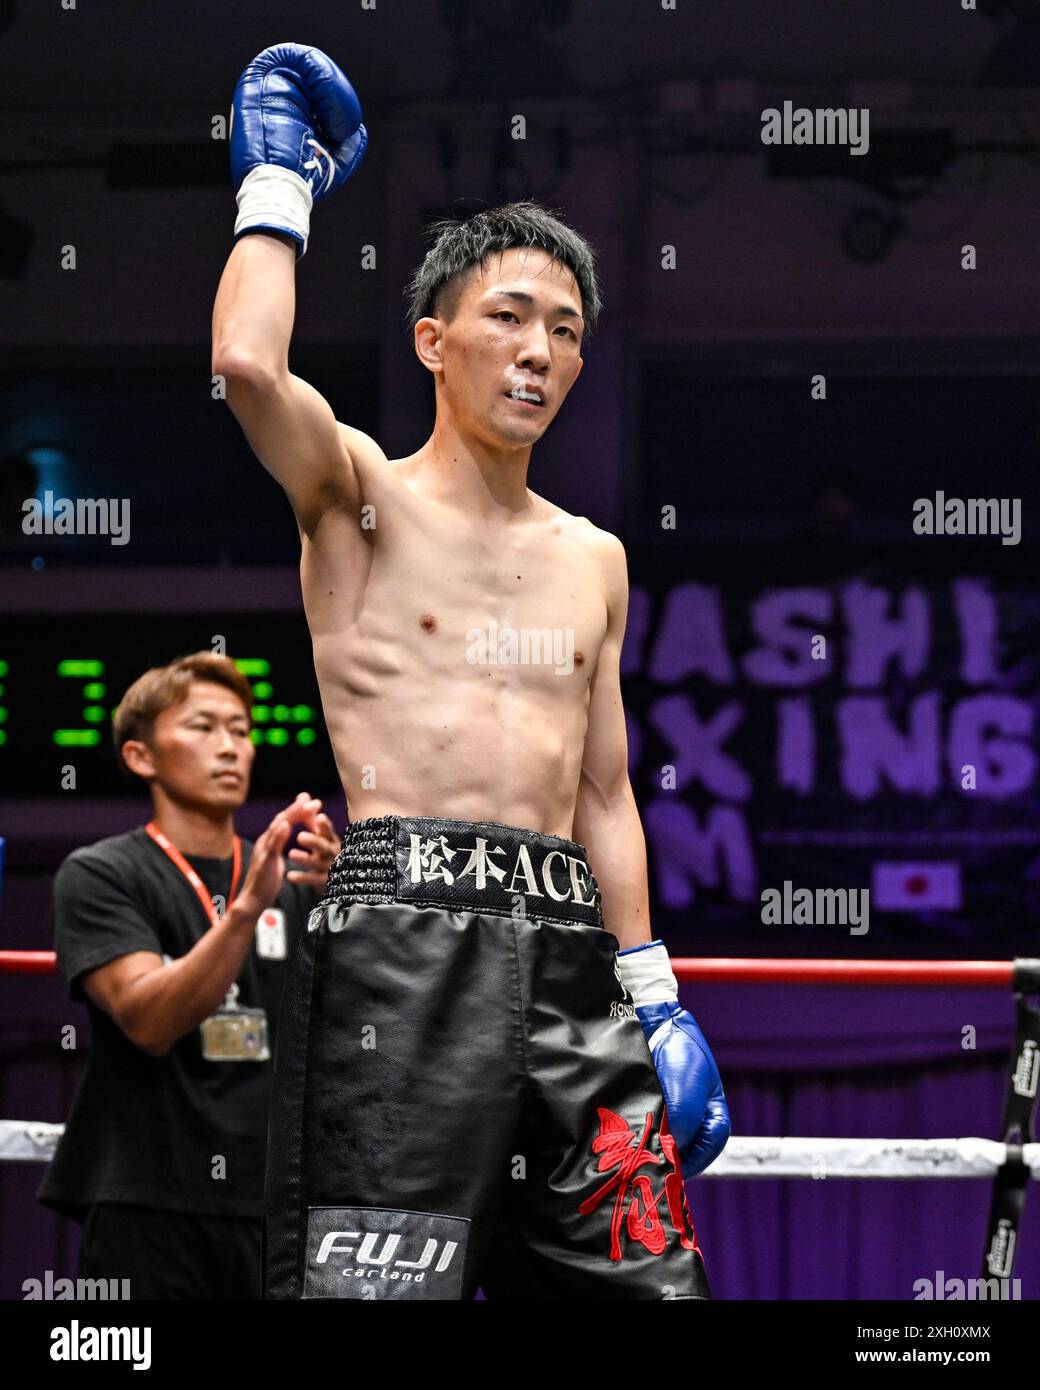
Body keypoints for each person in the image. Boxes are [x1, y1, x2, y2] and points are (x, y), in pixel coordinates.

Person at [213, 44, 731, 1300]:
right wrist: (277, 190)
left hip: (570, 962)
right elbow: (244, 369)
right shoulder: (357, 494)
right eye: (507, 316)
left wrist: (650, 991)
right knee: (375, 1295)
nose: (539, 349)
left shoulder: (594, 556)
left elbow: (603, 792)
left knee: (652, 1290)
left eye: (564, 329)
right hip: (401, 939)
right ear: (433, 341)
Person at [37, 651, 340, 1299]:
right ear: (142, 756)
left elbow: (360, 1034)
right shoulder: (100, 874)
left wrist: (350, 909)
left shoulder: (296, 885)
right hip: (148, 1200)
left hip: (277, 1205)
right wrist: (245, 914)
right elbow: (149, 1022)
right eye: (202, 727)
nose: (229, 746)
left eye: (240, 729)